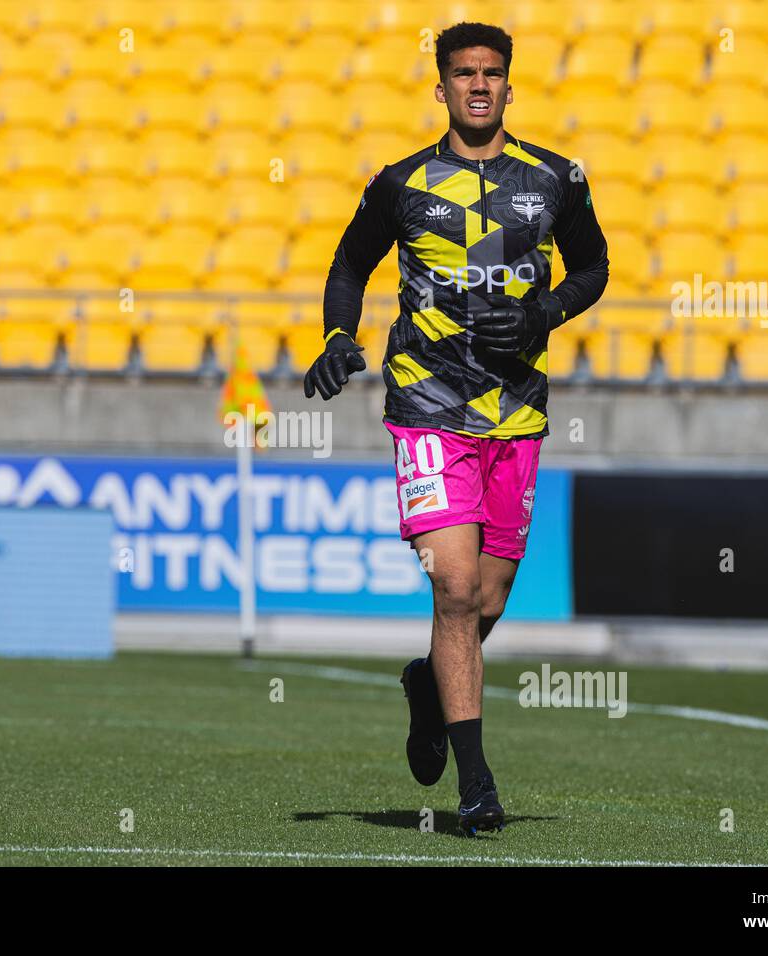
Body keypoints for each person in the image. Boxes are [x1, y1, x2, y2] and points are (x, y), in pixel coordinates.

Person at [303, 22, 609, 834]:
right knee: (455, 589)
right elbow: (348, 265)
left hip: (516, 413)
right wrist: (339, 336)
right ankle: (477, 788)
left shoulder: (556, 179)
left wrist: (545, 310)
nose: (479, 85)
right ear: (440, 87)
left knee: (489, 598)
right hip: (427, 405)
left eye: (493, 74)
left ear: (510, 86)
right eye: (464, 74)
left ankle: (427, 687)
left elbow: (593, 268)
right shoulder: (402, 183)